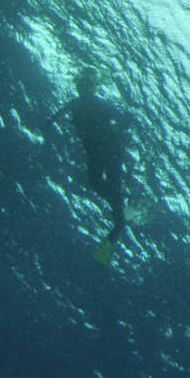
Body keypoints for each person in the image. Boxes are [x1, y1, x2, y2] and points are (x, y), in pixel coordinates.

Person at [46, 67, 130, 264]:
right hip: (98, 153)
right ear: (78, 84)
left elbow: (124, 119)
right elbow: (56, 116)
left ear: (93, 86)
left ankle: (118, 217)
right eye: (82, 82)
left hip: (109, 151)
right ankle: (118, 213)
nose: (84, 86)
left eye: (88, 82)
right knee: (95, 183)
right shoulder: (76, 104)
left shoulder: (95, 103)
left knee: (107, 185)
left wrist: (121, 126)